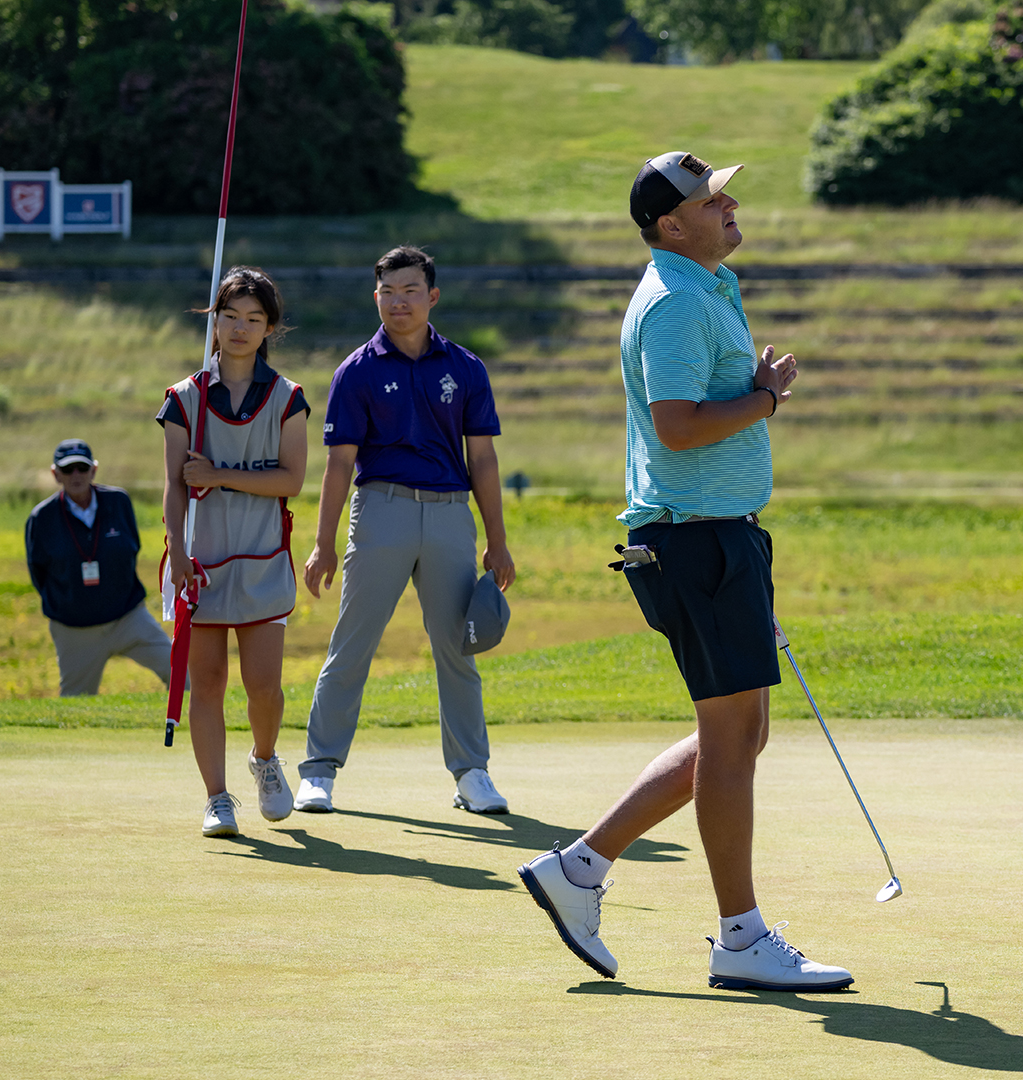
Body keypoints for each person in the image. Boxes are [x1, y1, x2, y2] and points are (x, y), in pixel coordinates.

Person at [515, 151, 852, 993]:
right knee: (734, 740)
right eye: (711, 198)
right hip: (695, 541)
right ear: (672, 223)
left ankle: (581, 868)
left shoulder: (700, 286)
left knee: (738, 735)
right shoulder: (671, 305)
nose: (731, 203)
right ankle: (739, 939)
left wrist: (760, 390)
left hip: (714, 538)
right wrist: (769, 399)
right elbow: (677, 428)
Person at [296, 246, 516, 816]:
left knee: (456, 649)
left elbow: (484, 460)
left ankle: (472, 773)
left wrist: (498, 538)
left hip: (448, 515)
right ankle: (319, 769)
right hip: (381, 511)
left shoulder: (465, 368)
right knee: (352, 644)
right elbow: (339, 464)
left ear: (432, 296)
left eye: (410, 291)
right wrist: (323, 541)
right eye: (388, 292)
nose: (399, 302)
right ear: (376, 297)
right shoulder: (357, 370)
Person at [157, 267, 310, 837]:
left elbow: (290, 480)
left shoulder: (287, 397)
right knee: (210, 681)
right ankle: (216, 799)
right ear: (213, 321)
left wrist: (218, 473)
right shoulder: (183, 400)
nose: (240, 329)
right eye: (229, 317)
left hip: (263, 557)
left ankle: (265, 759)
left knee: (264, 686)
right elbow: (173, 486)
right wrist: (177, 553)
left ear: (269, 327)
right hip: (199, 560)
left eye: (253, 319)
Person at [24, 438, 172, 696]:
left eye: (82, 468)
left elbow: (132, 548)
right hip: (75, 630)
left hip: (128, 618)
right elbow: (39, 573)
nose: (76, 475)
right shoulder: (42, 518)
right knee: (74, 706)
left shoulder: (118, 501)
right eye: (68, 470)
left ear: (94, 470)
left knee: (185, 676)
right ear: (55, 474)